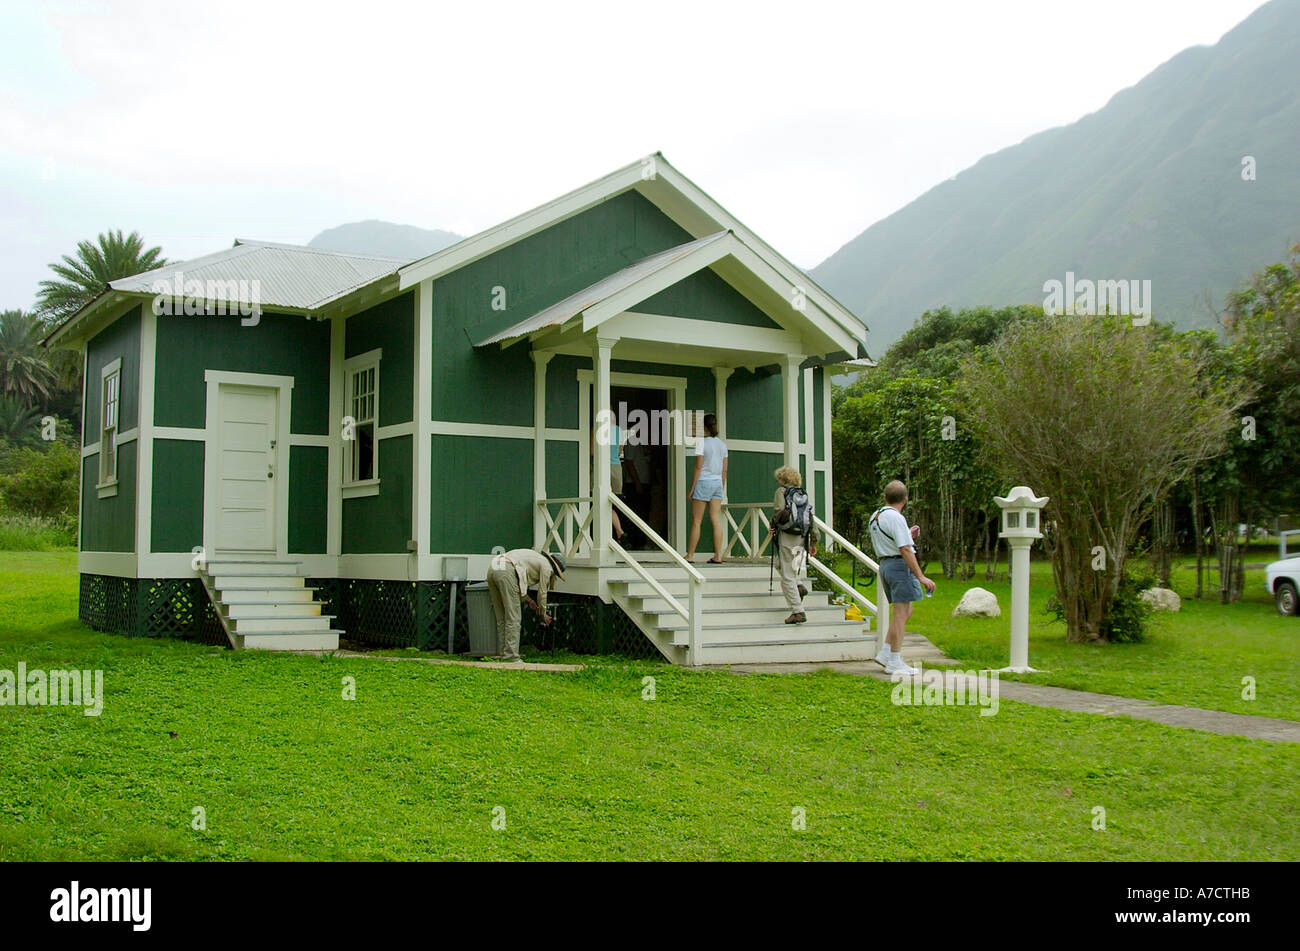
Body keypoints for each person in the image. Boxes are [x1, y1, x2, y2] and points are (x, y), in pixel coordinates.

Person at [868, 480, 935, 675]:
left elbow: (893, 540)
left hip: (886, 564)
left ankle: (886, 652)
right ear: (905, 499)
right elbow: (904, 549)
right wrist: (921, 576)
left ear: (885, 497)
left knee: (906, 610)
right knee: (901, 612)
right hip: (899, 565)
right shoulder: (896, 518)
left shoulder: (876, 515)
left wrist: (908, 534)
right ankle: (895, 661)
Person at [486, 548, 566, 663]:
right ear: (555, 569)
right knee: (513, 618)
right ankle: (511, 657)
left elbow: (515, 583)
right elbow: (542, 593)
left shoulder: (536, 558)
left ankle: (503, 653)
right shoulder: (547, 567)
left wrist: (528, 600)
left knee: (502, 618)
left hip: (494, 566)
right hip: (507, 570)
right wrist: (543, 614)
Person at [770, 466, 815, 623]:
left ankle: (798, 611)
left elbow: (778, 512)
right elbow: (810, 516)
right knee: (781, 565)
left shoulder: (781, 492)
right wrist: (814, 540)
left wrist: (773, 525)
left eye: (779, 479)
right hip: (801, 537)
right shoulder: (802, 494)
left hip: (787, 536)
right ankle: (799, 584)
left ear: (783, 479)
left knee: (787, 576)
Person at [685, 413, 728, 563]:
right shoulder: (722, 445)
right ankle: (718, 555)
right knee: (716, 519)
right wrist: (721, 487)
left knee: (697, 521)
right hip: (717, 483)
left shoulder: (702, 443)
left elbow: (698, 467)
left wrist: (691, 489)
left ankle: (690, 555)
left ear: (704, 427)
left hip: (703, 482)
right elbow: (724, 470)